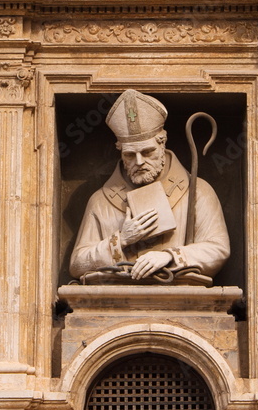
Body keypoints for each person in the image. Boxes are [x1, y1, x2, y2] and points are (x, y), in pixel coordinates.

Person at [70, 90, 229, 285]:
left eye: (147, 152)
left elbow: (218, 249)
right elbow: (77, 264)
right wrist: (121, 240)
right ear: (120, 152)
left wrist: (170, 256)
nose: (139, 162)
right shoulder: (100, 201)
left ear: (162, 144)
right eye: (130, 154)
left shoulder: (197, 191)